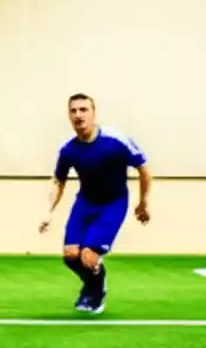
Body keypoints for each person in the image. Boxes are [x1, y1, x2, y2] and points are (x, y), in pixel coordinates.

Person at [39, 93, 153, 313]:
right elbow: (59, 181)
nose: (78, 115)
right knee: (71, 255)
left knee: (88, 257)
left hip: (112, 205)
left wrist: (143, 204)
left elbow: (144, 170)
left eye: (83, 110)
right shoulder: (68, 149)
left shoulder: (116, 141)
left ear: (93, 113)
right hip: (85, 203)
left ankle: (96, 293)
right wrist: (48, 211)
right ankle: (91, 286)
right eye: (73, 111)